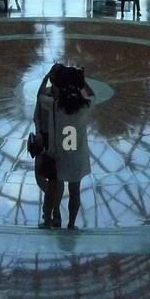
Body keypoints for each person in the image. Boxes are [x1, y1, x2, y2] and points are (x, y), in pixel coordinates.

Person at [33, 63, 95, 229]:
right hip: (77, 159)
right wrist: (82, 80)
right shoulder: (85, 105)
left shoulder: (54, 106)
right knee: (75, 193)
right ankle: (71, 224)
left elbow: (39, 96)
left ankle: (47, 221)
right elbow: (90, 94)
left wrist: (46, 78)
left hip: (58, 159)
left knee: (52, 192)